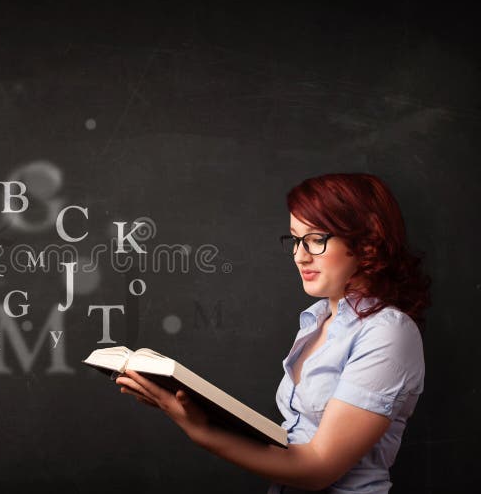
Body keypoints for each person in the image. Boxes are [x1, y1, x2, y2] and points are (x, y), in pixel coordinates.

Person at [116, 173, 430, 493]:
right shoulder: (317, 321)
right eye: (295, 239)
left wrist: (202, 431)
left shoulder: (389, 332)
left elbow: (319, 468)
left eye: (316, 239)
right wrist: (191, 406)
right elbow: (289, 444)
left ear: (367, 240)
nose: (300, 255)